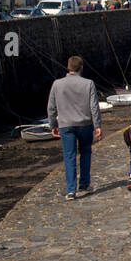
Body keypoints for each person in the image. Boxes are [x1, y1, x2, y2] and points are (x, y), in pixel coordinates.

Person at [47, 55, 102, 199]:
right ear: (81, 68)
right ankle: (84, 183)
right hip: (85, 124)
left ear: (68, 67)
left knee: (69, 156)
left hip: (66, 125)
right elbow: (94, 106)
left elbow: (51, 107)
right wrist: (98, 125)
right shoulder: (89, 83)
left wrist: (53, 125)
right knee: (85, 153)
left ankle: (71, 190)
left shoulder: (57, 84)